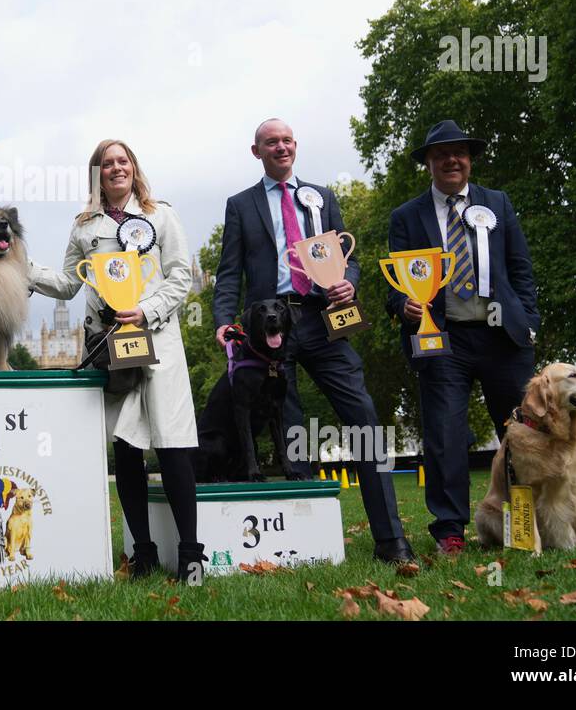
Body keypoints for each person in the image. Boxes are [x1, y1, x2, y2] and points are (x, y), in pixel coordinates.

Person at [213, 118, 415, 564]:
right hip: (269, 329)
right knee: (291, 429)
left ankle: (391, 540)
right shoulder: (240, 205)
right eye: (271, 142)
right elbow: (230, 271)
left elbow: (350, 258)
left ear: (295, 146)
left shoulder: (321, 197)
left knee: (363, 418)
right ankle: (304, 541)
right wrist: (223, 320)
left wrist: (350, 283)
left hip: (326, 320)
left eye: (286, 140)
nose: (280, 147)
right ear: (257, 152)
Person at [27, 139, 204, 581]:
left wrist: (148, 309)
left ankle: (190, 553)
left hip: (159, 341)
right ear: (97, 174)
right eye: (107, 164)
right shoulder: (84, 226)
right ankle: (142, 552)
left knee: (173, 445)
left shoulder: (162, 214)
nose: (116, 168)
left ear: (134, 167)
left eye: (122, 161)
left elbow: (181, 276)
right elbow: (69, 284)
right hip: (110, 346)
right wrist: (21, 267)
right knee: (126, 449)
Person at [386, 120, 539, 555]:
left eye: (460, 153)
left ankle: (523, 527)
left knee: (520, 436)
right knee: (444, 436)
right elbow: (396, 285)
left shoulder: (498, 204)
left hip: (503, 338)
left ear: (469, 160)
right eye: (441, 154)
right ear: (429, 164)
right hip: (442, 341)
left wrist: (529, 321)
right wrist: (404, 307)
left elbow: (520, 268)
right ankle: (449, 531)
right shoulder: (406, 216)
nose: (452, 160)